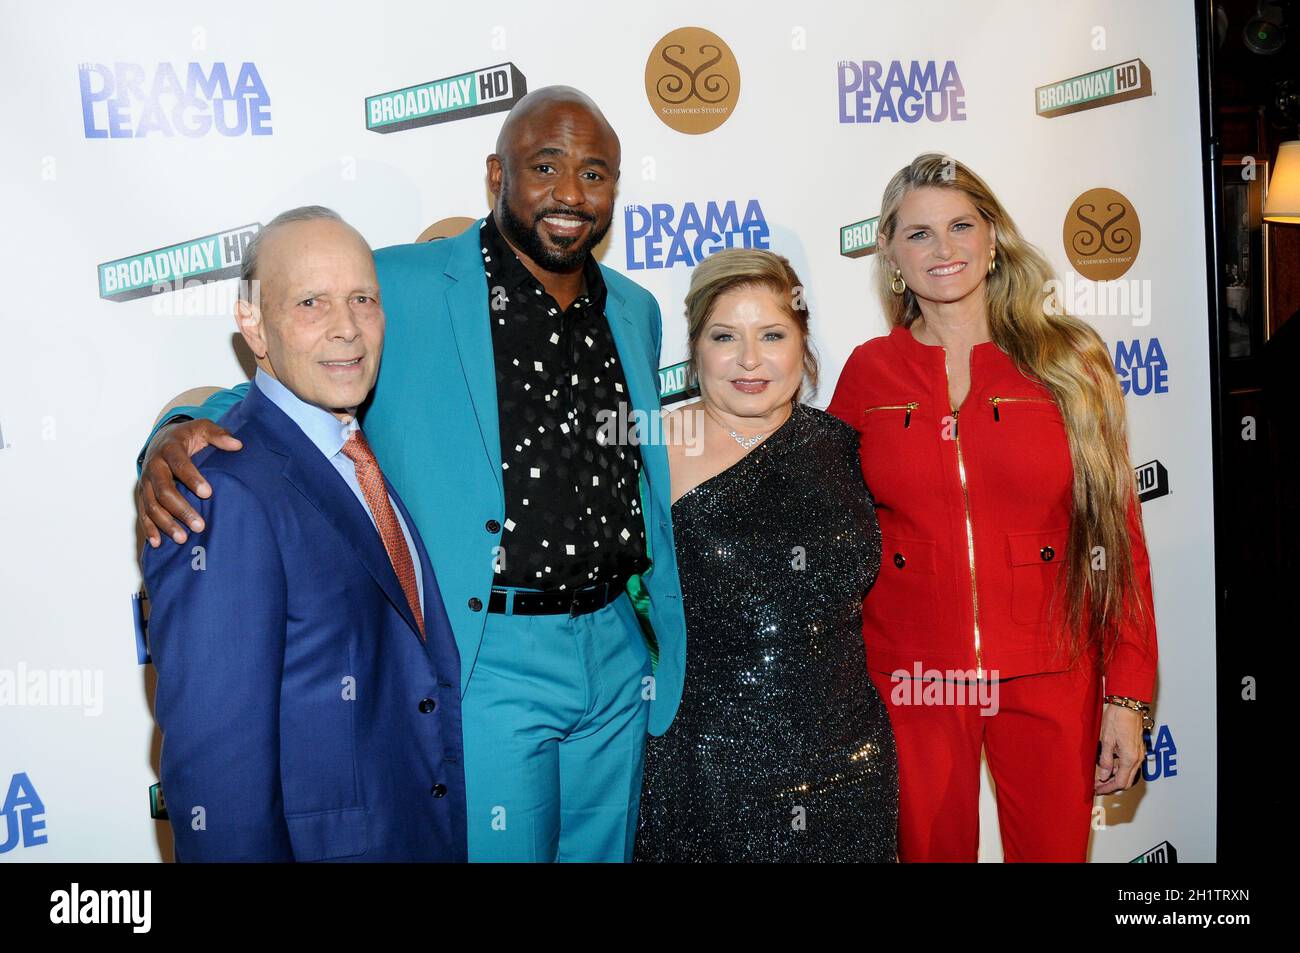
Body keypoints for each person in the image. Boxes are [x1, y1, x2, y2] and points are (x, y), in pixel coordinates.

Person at [133, 88, 686, 863]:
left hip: (618, 651)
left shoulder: (636, 308)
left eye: (594, 173)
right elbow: (298, 372)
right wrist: (172, 437)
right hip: (492, 647)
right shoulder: (408, 283)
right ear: (497, 174)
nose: (569, 192)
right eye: (545, 166)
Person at [826, 153, 1159, 862]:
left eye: (960, 225)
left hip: (1052, 668)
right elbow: (827, 530)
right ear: (889, 251)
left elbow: (1119, 542)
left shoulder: (1069, 359)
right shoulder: (867, 372)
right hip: (913, 676)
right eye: (918, 234)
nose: (943, 250)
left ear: (993, 235)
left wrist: (1126, 698)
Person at [141, 206, 466, 862]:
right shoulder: (220, 492)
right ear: (253, 325)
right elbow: (218, 774)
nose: (346, 327)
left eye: (363, 299)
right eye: (312, 302)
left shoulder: (354, 451)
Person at [634, 249, 898, 862]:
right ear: (695, 350)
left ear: (803, 347)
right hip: (700, 767)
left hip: (848, 764)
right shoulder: (648, 448)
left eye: (772, 335)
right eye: (725, 336)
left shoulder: (843, 449)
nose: (750, 359)